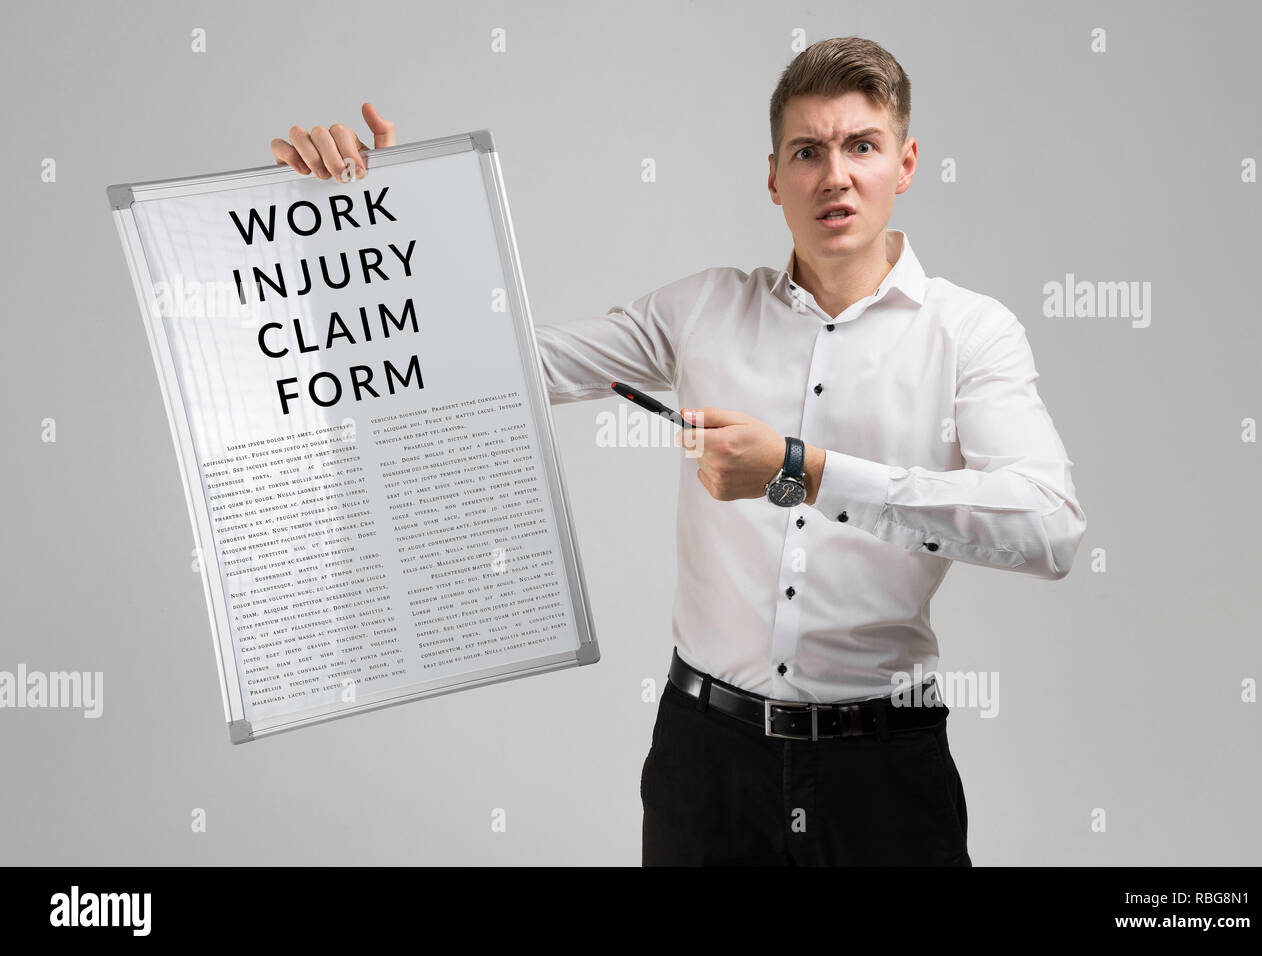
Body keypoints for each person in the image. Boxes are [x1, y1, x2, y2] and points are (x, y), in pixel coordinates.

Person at [269, 36, 1086, 866]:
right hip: (707, 766)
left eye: (861, 147)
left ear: (905, 164)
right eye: (807, 151)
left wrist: (801, 471)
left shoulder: (971, 332)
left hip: (884, 772)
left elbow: (1050, 529)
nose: (834, 174)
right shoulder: (704, 310)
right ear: (774, 178)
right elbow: (504, 363)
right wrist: (373, 220)